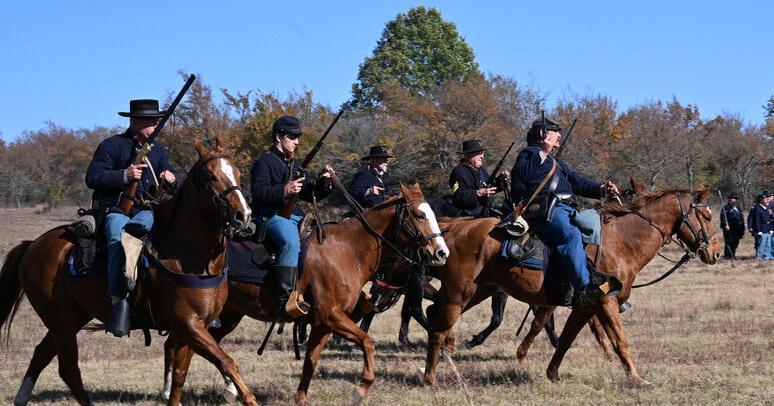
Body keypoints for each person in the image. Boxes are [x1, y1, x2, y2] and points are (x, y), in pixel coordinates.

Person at [85, 99, 177, 337]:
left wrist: (171, 178)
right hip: (116, 210)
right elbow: (93, 177)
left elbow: (166, 180)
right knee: (117, 239)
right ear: (135, 122)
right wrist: (124, 175)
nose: (155, 127)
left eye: (157, 122)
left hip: (147, 212)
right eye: (150, 122)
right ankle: (119, 299)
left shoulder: (158, 151)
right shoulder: (111, 146)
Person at [510, 116, 620, 307]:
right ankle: (584, 288)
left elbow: (578, 182)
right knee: (570, 235)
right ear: (543, 135)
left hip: (565, 208)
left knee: (593, 230)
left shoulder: (556, 162)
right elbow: (525, 177)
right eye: (555, 132)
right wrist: (541, 155)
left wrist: (602, 188)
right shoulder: (529, 154)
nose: (559, 135)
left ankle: (590, 276)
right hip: (543, 211)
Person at [250, 115, 335, 320]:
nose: (297, 142)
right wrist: (284, 189)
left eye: (298, 138)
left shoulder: (295, 165)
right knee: (290, 243)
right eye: (293, 137)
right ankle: (284, 300)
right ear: (279, 136)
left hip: (295, 216)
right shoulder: (265, 161)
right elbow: (258, 192)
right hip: (272, 216)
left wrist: (324, 183)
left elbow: (309, 193)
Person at [446, 140, 498, 216]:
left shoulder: (483, 171)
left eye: (482, 154)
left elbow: (489, 188)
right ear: (468, 155)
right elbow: (458, 196)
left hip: (485, 210)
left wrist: (500, 181)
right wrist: (478, 193)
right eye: (478, 154)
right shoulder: (458, 172)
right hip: (467, 214)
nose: (482, 157)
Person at [719, 193, 745, 259]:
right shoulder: (725, 208)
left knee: (736, 242)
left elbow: (741, 217)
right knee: (729, 242)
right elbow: (723, 218)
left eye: (735, 200)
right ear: (729, 200)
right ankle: (727, 256)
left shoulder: (739, 208)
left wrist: (743, 227)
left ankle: (732, 254)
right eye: (732, 200)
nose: (733, 201)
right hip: (729, 228)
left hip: (738, 228)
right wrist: (725, 225)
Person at [749, 192, 773, 260]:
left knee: (768, 244)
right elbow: (756, 220)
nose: (766, 200)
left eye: (766, 198)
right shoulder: (757, 208)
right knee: (762, 244)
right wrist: (758, 230)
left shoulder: (765, 208)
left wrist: (771, 229)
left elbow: (768, 219)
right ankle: (760, 257)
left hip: (767, 229)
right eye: (764, 198)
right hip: (762, 230)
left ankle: (767, 256)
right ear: (761, 200)